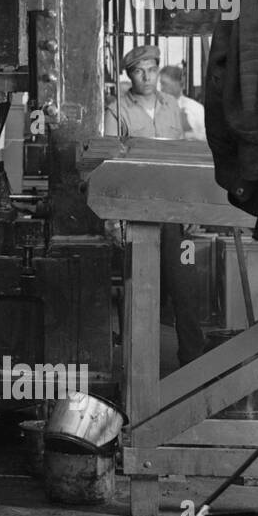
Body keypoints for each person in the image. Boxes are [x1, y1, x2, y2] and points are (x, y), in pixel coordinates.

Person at [104, 43, 206, 367]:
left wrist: (193, 210)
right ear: (129, 75)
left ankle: (193, 367)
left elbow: (185, 162)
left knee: (186, 288)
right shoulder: (116, 110)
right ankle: (138, 368)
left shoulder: (173, 106)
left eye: (151, 69)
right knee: (140, 293)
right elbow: (110, 167)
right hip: (137, 218)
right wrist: (113, 219)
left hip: (176, 216)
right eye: (138, 71)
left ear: (158, 70)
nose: (145, 76)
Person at [158, 64, 206, 142]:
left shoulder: (195, 109)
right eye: (161, 84)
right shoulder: (155, 107)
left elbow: (208, 139)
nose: (161, 88)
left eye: (164, 84)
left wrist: (188, 132)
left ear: (179, 84)